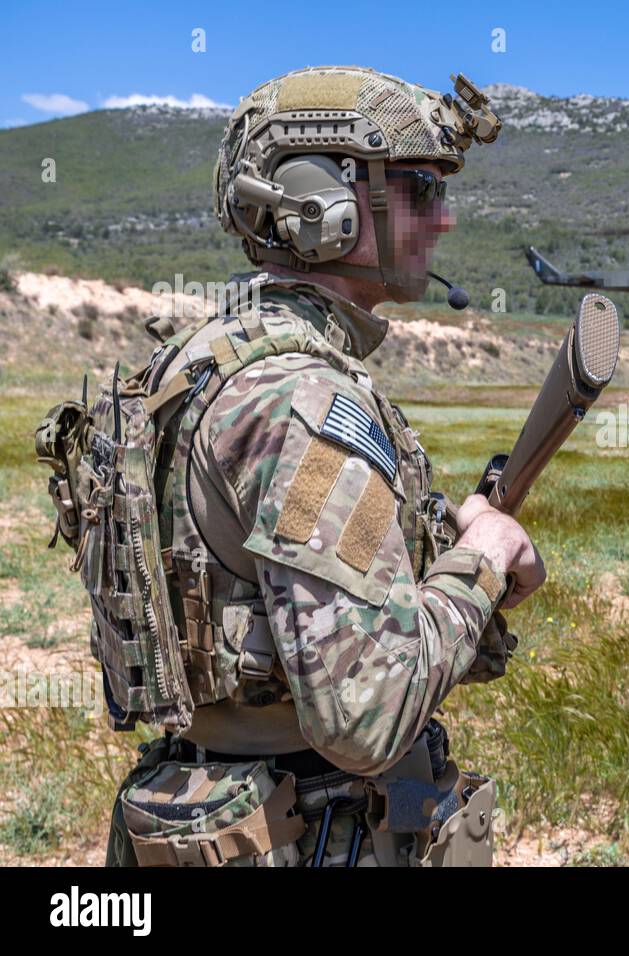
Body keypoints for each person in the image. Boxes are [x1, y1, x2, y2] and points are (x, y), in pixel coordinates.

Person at [37, 66, 542, 866]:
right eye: (418, 189)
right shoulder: (300, 401)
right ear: (322, 207)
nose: (443, 221)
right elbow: (368, 716)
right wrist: (483, 563)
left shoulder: (206, 360)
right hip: (306, 830)